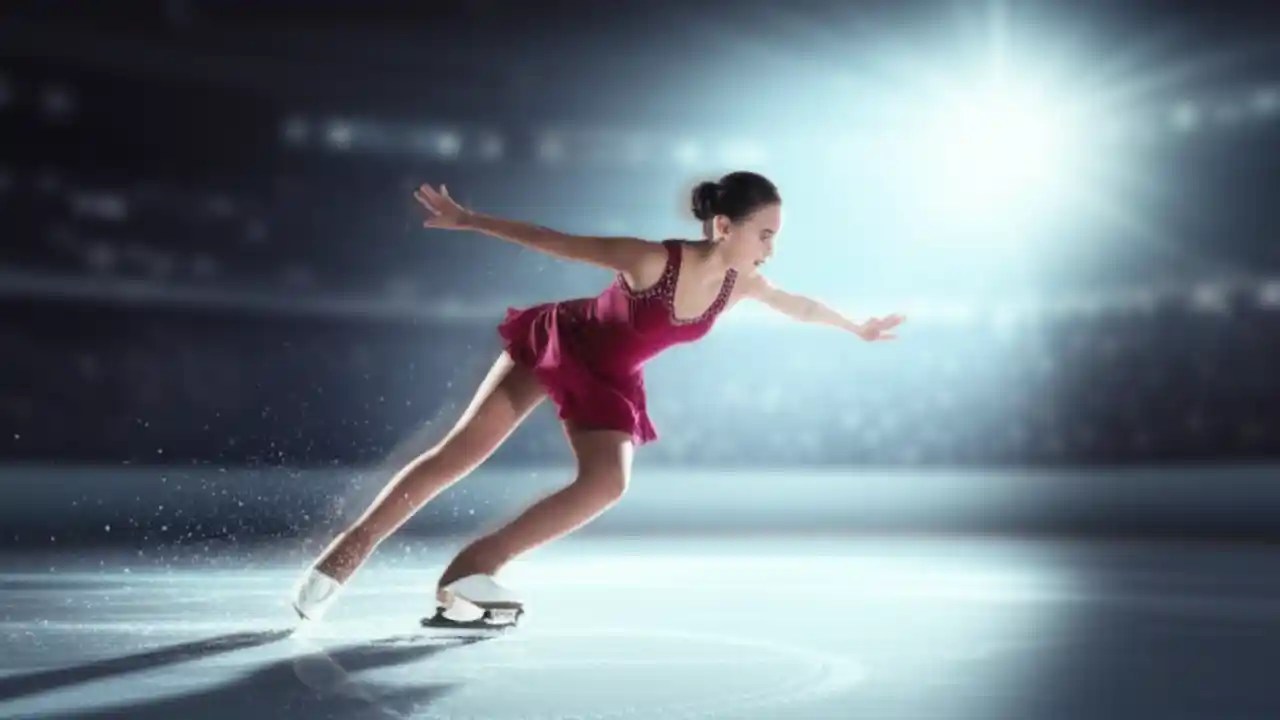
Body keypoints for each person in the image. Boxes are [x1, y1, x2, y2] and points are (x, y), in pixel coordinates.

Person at [291, 171, 905, 624]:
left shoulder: (742, 283)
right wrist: (471, 219)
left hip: (611, 379)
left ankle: (473, 570)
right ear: (724, 227)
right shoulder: (651, 260)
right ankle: (346, 554)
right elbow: (555, 240)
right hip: (562, 343)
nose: (771, 248)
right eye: (765, 234)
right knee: (459, 455)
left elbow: (796, 305)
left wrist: (856, 327)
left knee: (607, 484)